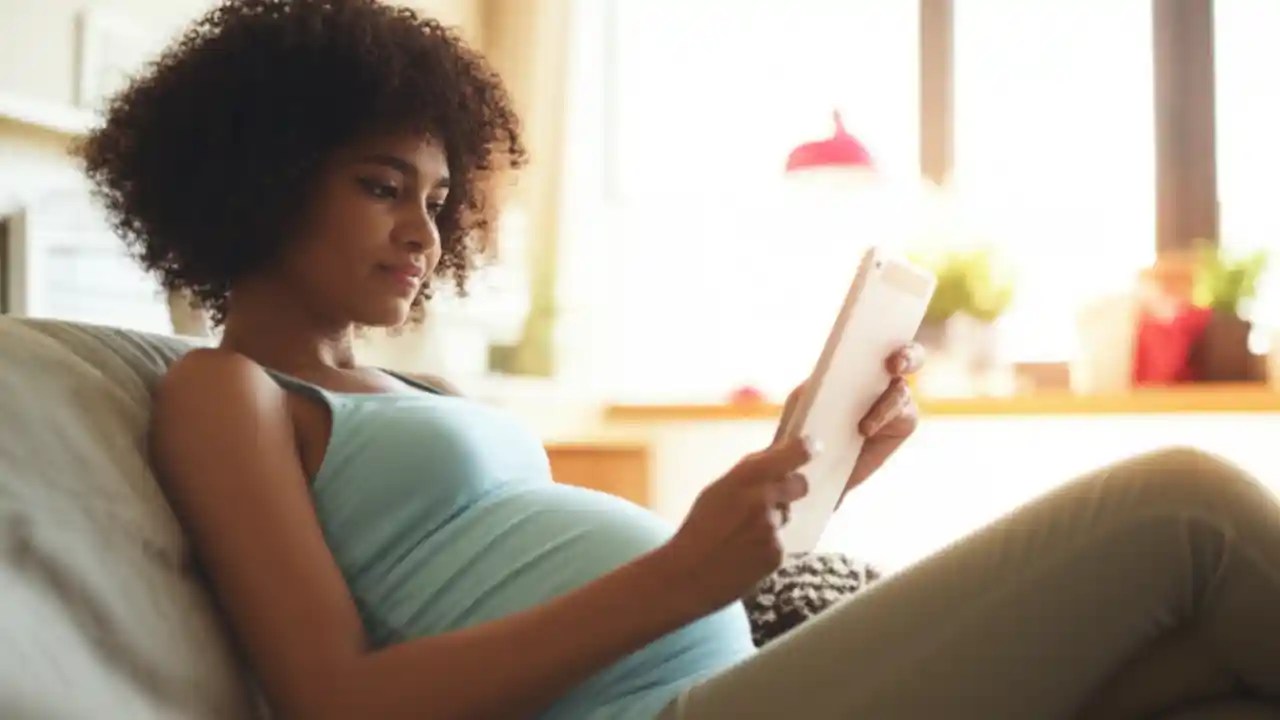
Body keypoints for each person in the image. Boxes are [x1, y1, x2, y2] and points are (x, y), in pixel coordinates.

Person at [79, 1, 1280, 718]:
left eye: (440, 198)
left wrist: (813, 474)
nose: (424, 233)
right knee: (1184, 507)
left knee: (1203, 676)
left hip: (737, 682)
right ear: (262, 177)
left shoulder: (408, 390)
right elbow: (337, 701)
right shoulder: (219, 388)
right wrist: (685, 578)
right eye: (382, 188)